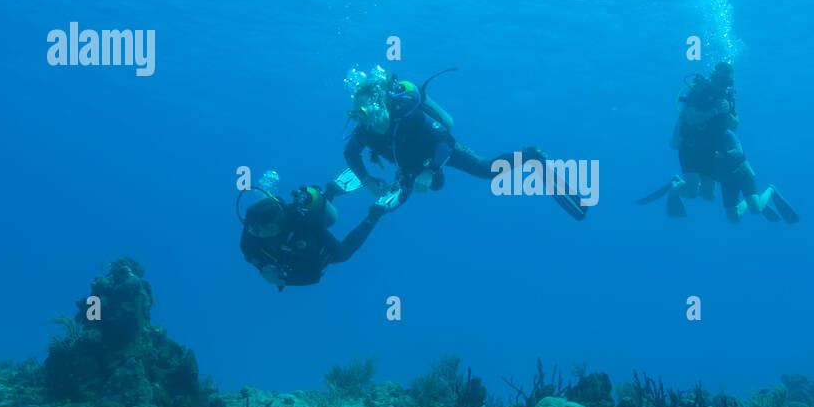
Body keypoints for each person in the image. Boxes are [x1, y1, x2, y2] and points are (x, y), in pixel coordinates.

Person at [341, 65, 585, 219]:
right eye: (359, 115)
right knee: (433, 186)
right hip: (410, 161)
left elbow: (446, 140)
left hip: (438, 150)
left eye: (369, 113)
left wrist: (429, 170)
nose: (367, 122)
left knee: (487, 170)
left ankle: (531, 156)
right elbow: (350, 153)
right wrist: (367, 179)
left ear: (381, 106)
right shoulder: (366, 130)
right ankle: (420, 178)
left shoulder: (409, 117)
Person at [637, 61, 798, 224]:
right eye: (721, 81)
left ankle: (680, 183)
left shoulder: (727, 96)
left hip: (711, 151)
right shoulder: (699, 91)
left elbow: (734, 125)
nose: (723, 85)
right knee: (692, 193)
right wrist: (715, 110)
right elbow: (691, 118)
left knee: (708, 195)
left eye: (728, 82)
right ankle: (675, 188)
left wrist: (728, 112)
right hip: (691, 147)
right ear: (713, 78)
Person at [239, 179, 386, 291]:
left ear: (271, 227)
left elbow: (313, 274)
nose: (251, 233)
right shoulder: (253, 226)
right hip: (288, 248)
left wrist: (281, 280)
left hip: (312, 234)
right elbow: (247, 250)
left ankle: (374, 214)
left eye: (256, 230)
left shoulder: (302, 234)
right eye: (248, 227)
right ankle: (328, 193)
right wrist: (262, 266)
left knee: (343, 254)